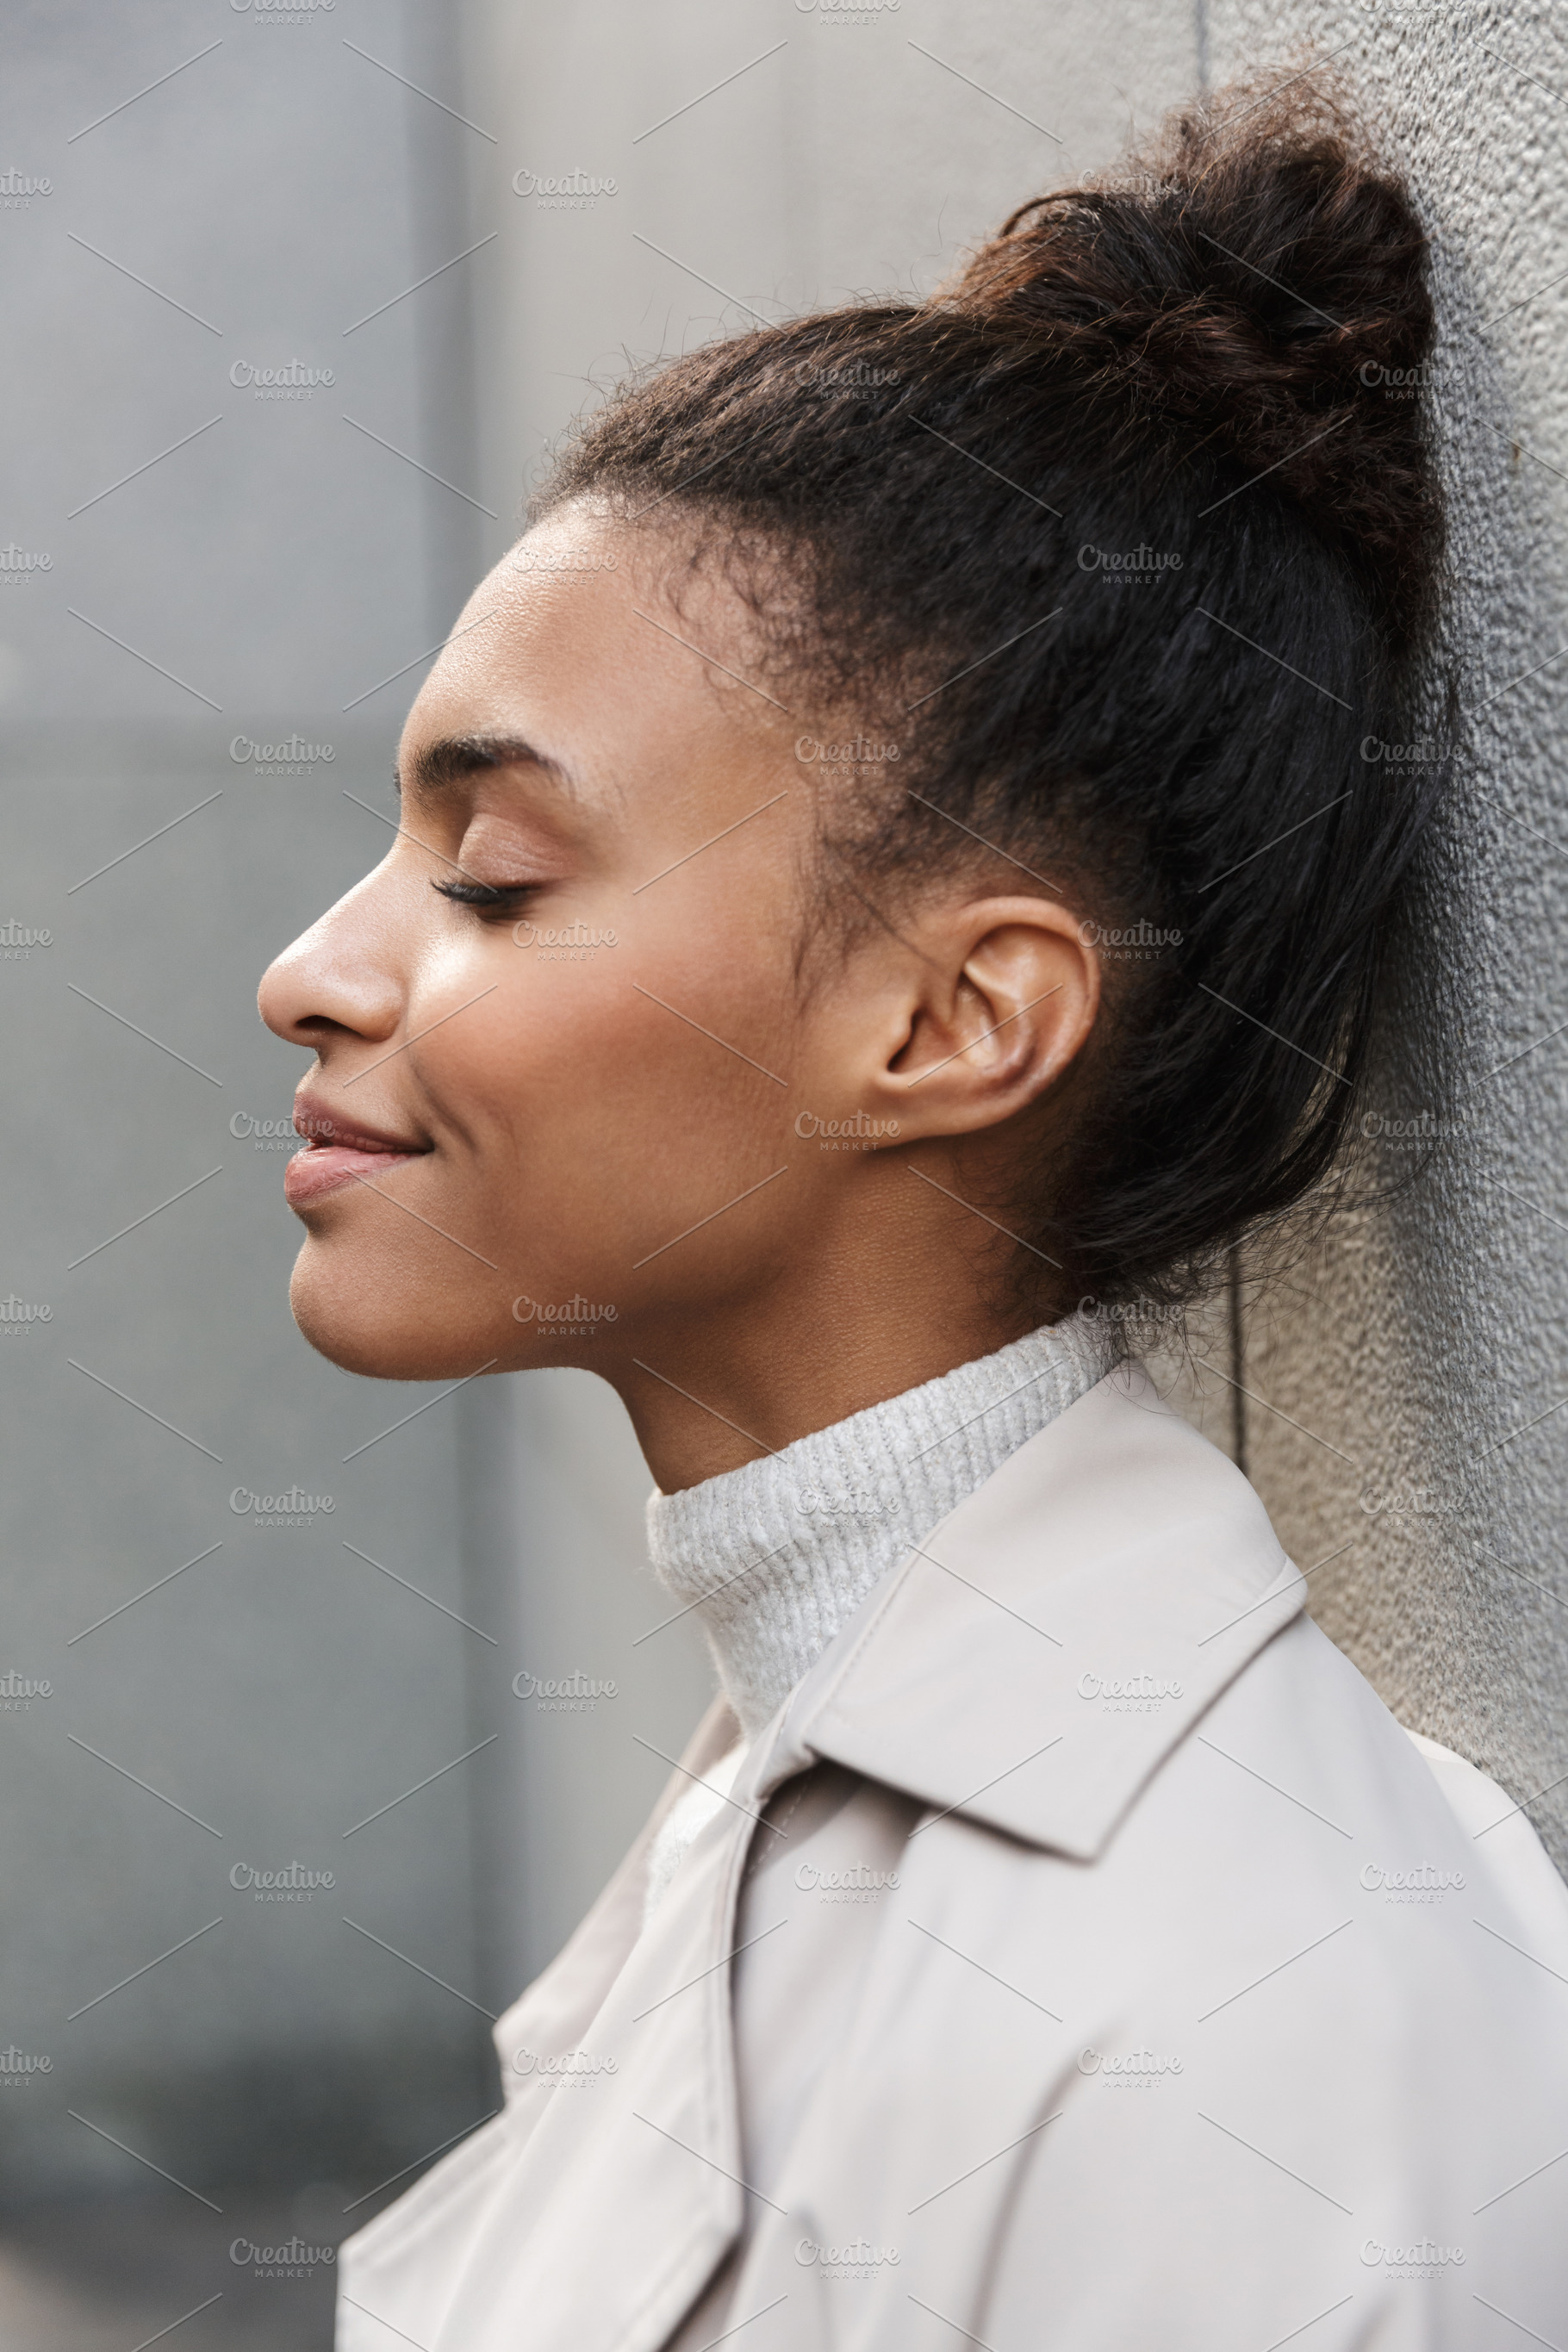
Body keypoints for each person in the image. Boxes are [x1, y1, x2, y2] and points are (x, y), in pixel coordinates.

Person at [259, 81, 1568, 2352]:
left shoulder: (1232, 2029)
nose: (313, 970)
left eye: (488, 874)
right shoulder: (812, 1775)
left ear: (957, 1018)